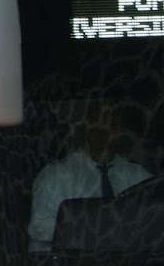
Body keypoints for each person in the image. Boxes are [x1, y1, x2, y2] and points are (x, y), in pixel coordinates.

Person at [28, 100, 150, 252]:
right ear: (85, 126)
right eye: (97, 122)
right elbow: (39, 229)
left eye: (111, 123)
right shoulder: (55, 176)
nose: (104, 129)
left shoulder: (140, 177)